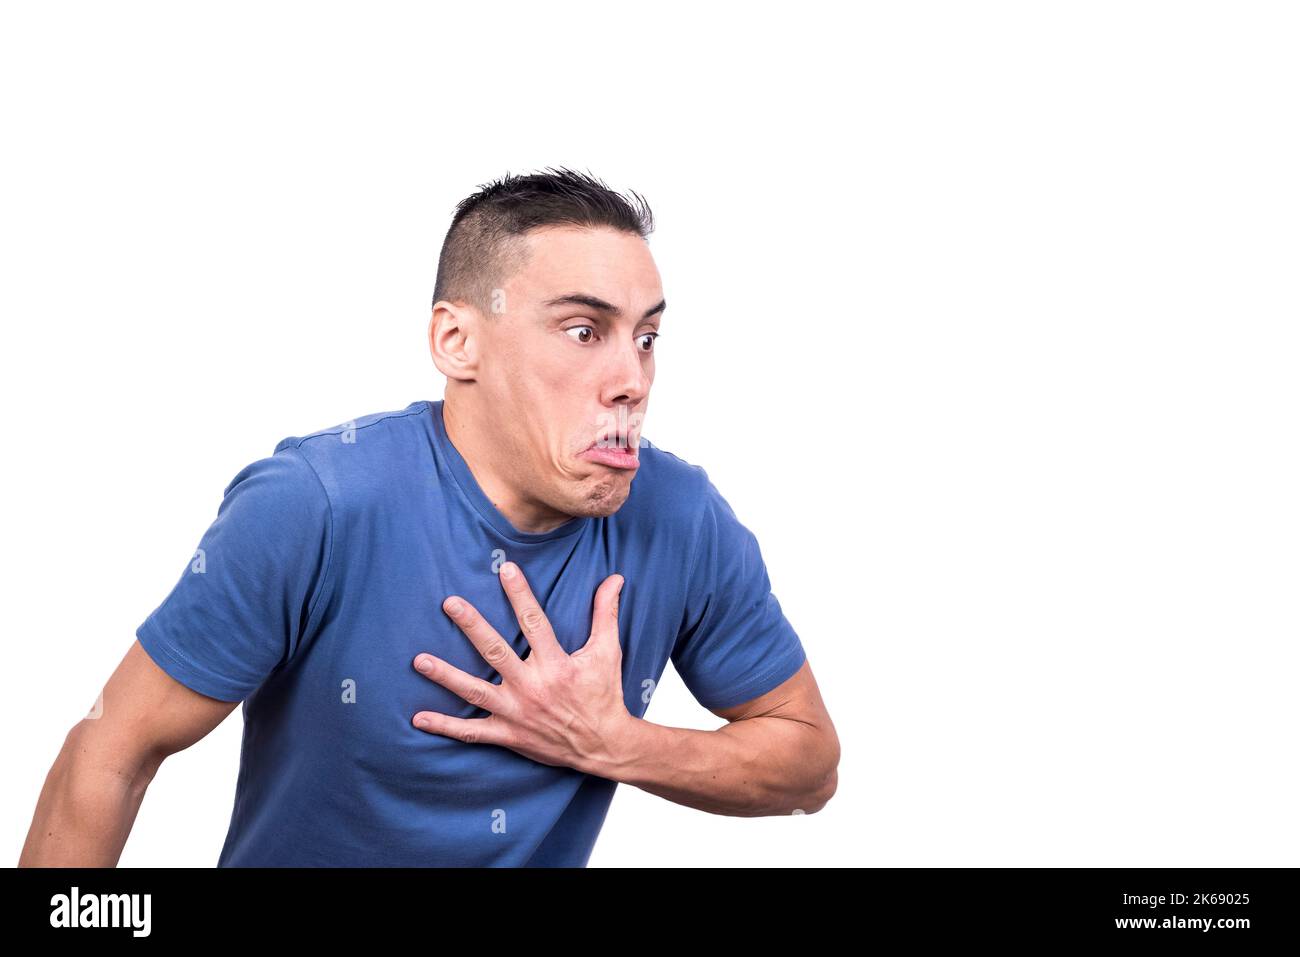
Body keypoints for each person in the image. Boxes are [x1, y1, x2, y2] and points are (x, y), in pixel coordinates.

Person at [19, 167, 839, 866]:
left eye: (648, 337)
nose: (632, 378)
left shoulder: (680, 518)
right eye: (584, 330)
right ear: (456, 341)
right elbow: (113, 749)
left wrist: (614, 741)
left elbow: (808, 762)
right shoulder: (316, 503)